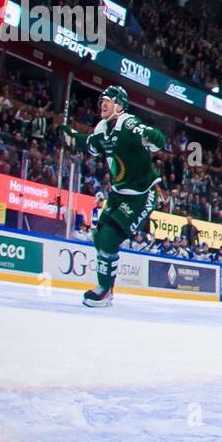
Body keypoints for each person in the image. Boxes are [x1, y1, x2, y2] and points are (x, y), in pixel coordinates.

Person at [59, 85, 167, 308]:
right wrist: (71, 136)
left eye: (108, 100)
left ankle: (104, 290)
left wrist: (152, 137)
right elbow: (91, 144)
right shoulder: (102, 128)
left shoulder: (128, 123)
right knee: (99, 238)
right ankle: (107, 288)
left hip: (141, 195)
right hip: (118, 194)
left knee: (108, 238)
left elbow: (152, 137)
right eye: (102, 101)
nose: (103, 104)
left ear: (119, 105)